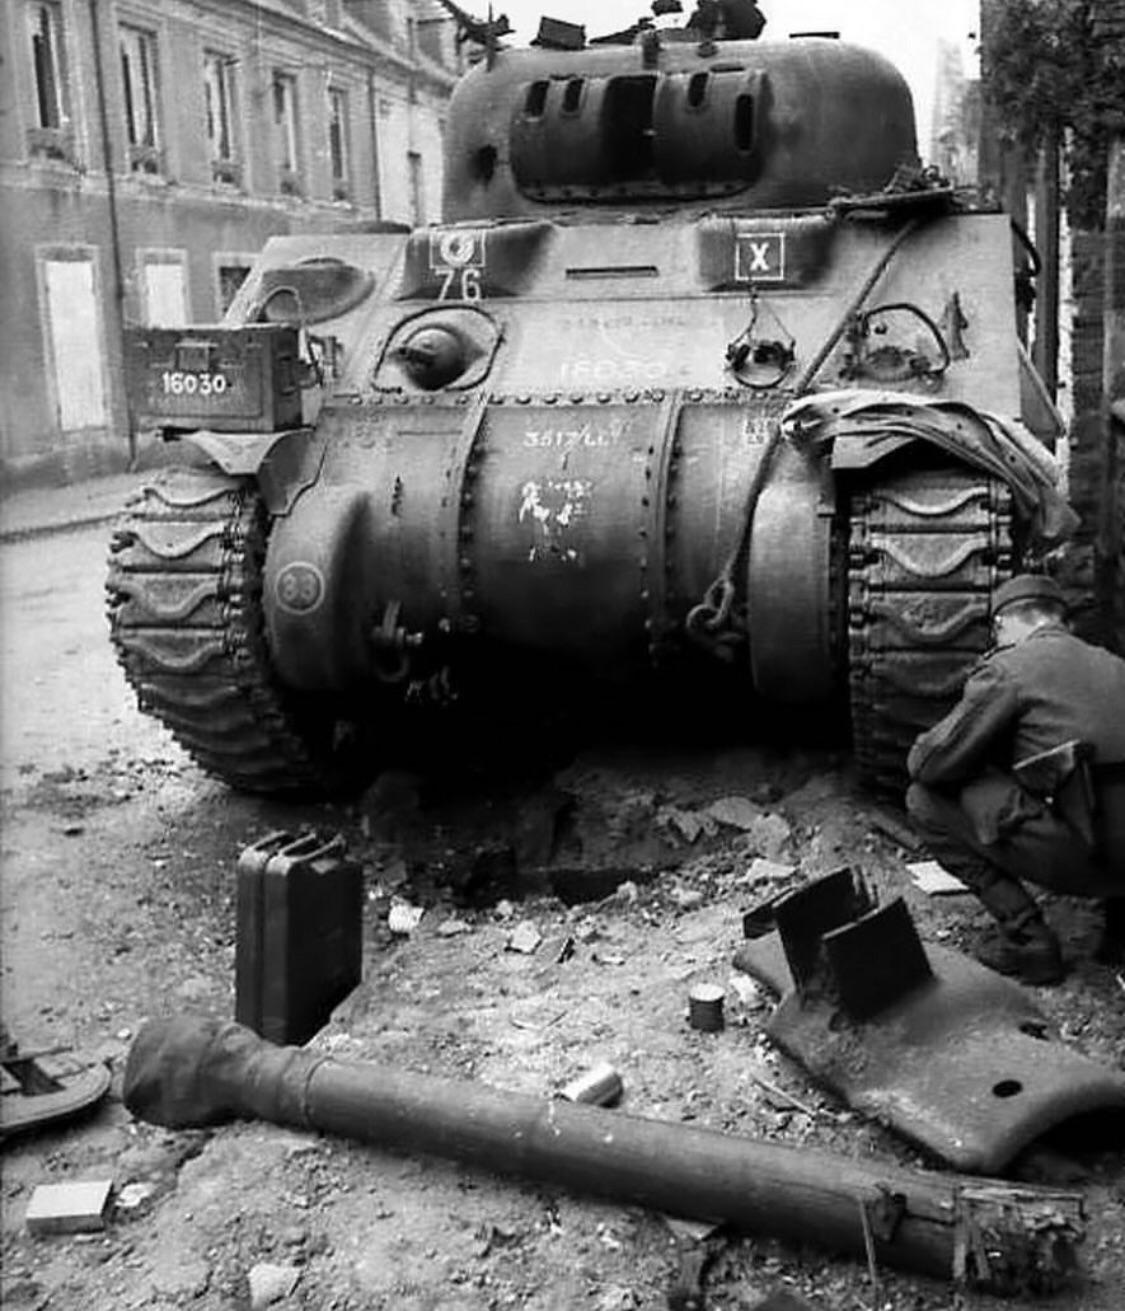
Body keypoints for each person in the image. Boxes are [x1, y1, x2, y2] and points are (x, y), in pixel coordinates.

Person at [906, 574, 1125, 984]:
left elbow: (930, 764)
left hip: (1086, 857)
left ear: (1004, 624)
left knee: (924, 800)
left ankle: (1030, 942)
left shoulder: (1009, 670)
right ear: (1063, 623)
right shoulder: (1115, 665)